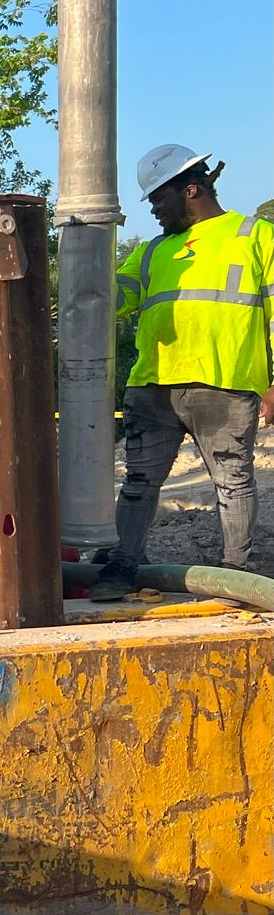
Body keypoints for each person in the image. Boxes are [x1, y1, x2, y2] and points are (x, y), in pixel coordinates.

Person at [91, 145, 274, 601]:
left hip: (226, 382)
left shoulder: (255, 235)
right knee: (139, 483)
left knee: (232, 481)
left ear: (190, 189)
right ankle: (121, 568)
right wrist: (89, 252)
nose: (153, 210)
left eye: (158, 199)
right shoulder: (155, 251)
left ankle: (235, 576)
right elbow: (112, 298)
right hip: (154, 384)